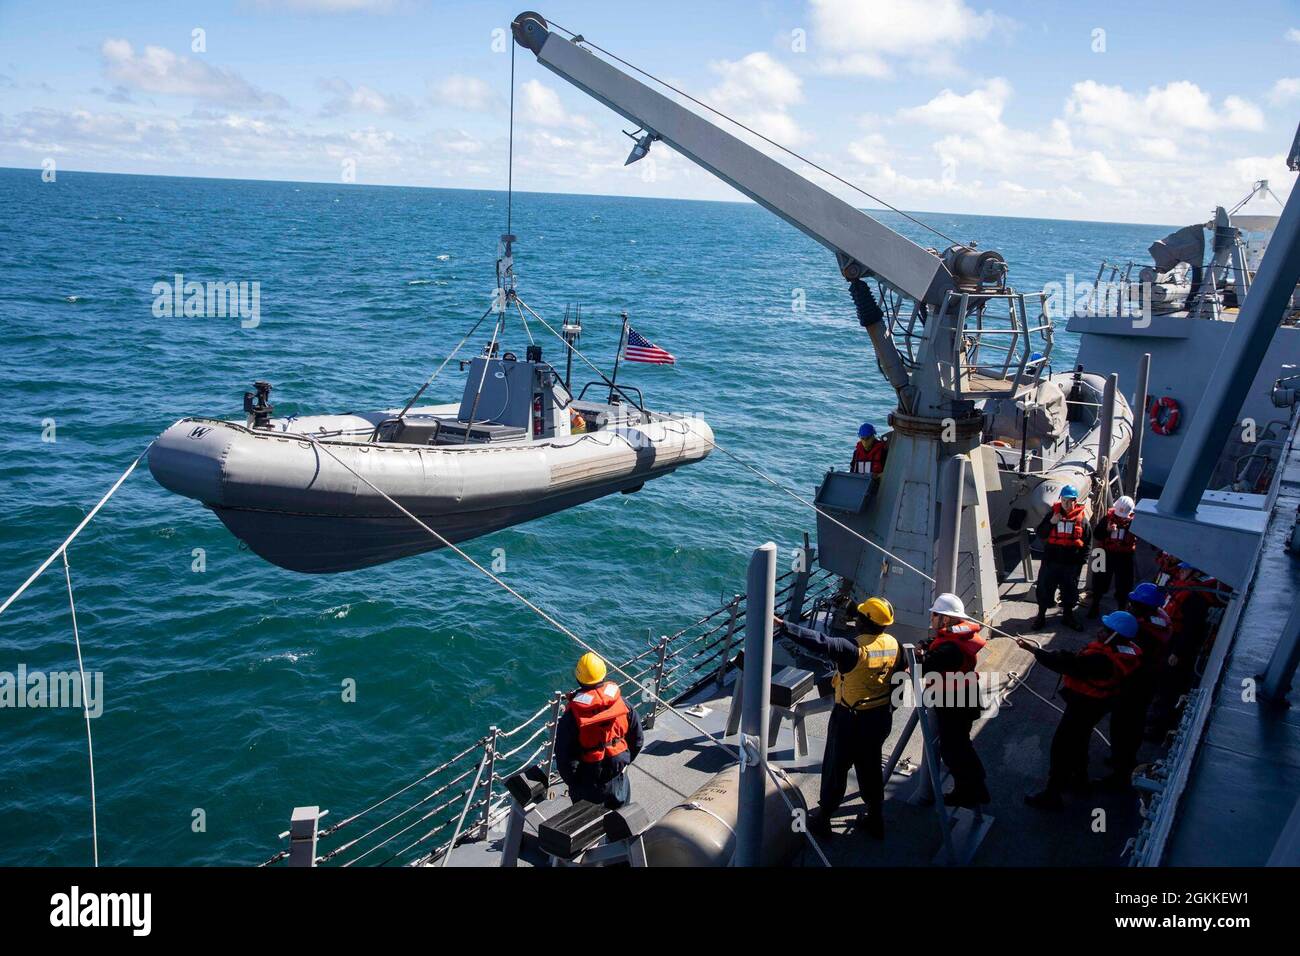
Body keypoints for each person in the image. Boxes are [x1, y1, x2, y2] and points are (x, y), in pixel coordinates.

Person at [777, 597, 903, 839]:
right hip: (878, 718)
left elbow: (819, 641)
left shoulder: (853, 650)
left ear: (864, 622)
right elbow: (900, 678)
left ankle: (823, 819)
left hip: (849, 719)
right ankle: (876, 818)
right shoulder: (894, 645)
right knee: (870, 769)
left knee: (836, 767)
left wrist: (783, 626)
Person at [1018, 611, 1143, 810]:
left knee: (1062, 748)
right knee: (1080, 742)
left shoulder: (1101, 661)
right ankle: (1080, 782)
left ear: (1115, 636)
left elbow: (1067, 664)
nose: (1101, 631)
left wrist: (1034, 650)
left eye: (1106, 630)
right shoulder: (1125, 651)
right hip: (1098, 705)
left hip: (1084, 706)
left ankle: (1053, 795)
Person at [921, 592, 990, 808]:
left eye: (934, 615)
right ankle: (970, 787)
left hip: (954, 702)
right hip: (964, 697)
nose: (931, 617)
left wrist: (916, 656)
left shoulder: (950, 649)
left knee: (952, 749)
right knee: (959, 745)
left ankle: (973, 790)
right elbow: (936, 643)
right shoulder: (956, 636)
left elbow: (927, 665)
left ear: (946, 619)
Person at [554, 652, 644, 809]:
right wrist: (623, 760)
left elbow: (564, 758)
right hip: (618, 773)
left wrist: (575, 783)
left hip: (589, 780)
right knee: (621, 819)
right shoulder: (623, 704)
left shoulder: (571, 717)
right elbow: (637, 740)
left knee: (587, 824)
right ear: (604, 674)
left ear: (578, 678)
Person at [1106, 583, 1170, 783]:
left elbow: (1128, 656)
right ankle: (1122, 760)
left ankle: (1120, 773)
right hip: (1148, 681)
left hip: (1135, 684)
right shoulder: (1160, 619)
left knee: (1123, 725)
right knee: (1133, 724)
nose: (1129, 606)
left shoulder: (1143, 631)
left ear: (1142, 605)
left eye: (1133, 603)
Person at [1034, 485, 1091, 630]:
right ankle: (1041, 615)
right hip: (1051, 562)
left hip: (1071, 564)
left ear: (1075, 501)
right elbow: (1040, 533)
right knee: (1045, 589)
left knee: (1070, 591)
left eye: (1070, 500)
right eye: (1064, 500)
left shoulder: (1082, 520)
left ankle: (1068, 616)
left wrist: (1080, 562)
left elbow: (1087, 543)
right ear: (1061, 499)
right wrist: (1051, 522)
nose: (1067, 503)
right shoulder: (1052, 515)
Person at [1088, 495, 1137, 618]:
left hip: (1125, 555)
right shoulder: (1107, 519)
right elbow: (1097, 535)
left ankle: (1121, 607)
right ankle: (1095, 605)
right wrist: (1107, 530)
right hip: (1105, 553)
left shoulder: (1135, 522)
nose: (1120, 518)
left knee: (1124, 583)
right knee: (1099, 580)